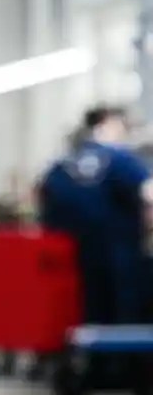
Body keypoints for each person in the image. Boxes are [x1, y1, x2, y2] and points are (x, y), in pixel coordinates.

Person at [39, 105, 153, 326]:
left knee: (86, 318)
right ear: (107, 123)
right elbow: (149, 193)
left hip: (71, 263)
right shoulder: (120, 159)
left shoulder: (61, 165)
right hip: (118, 261)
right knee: (122, 321)